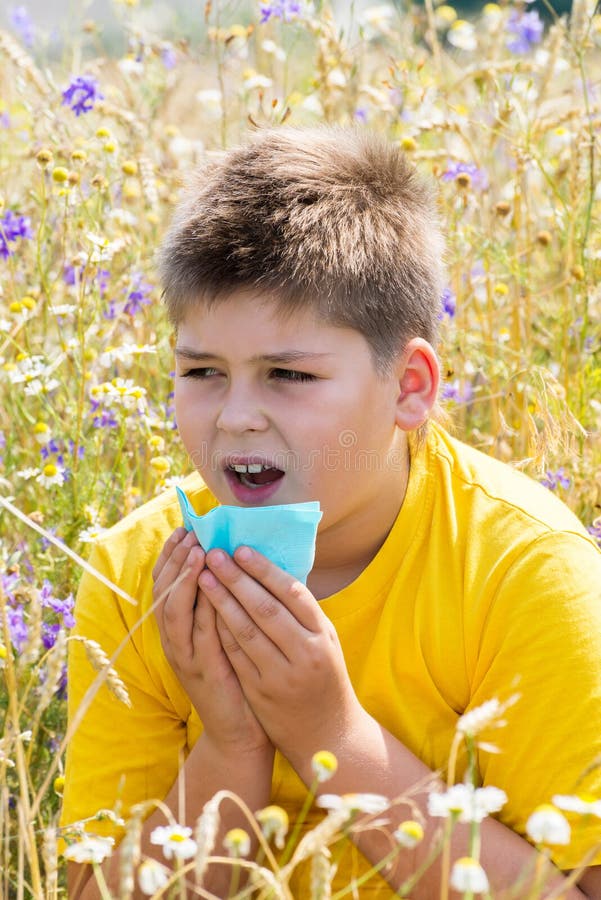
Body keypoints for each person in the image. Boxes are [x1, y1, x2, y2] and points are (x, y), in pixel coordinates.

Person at [61, 126, 601, 899]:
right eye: (202, 371)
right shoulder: (137, 573)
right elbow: (92, 889)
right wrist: (234, 740)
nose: (235, 416)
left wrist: (328, 733)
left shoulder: (525, 571)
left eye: (288, 375)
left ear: (409, 387)